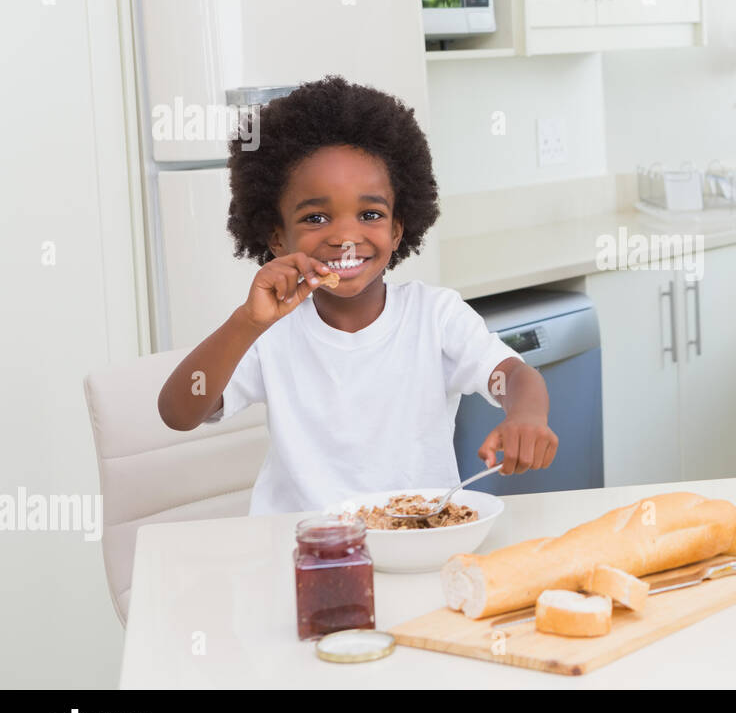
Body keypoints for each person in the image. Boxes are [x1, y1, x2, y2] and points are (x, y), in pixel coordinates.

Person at [157, 75, 558, 515]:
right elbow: (179, 411)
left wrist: (526, 416)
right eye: (316, 218)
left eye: (369, 214)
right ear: (277, 238)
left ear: (397, 228)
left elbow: (515, 377)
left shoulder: (435, 316)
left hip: (418, 537)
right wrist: (246, 323)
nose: (346, 237)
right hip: (302, 550)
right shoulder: (269, 331)